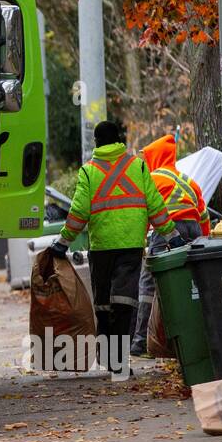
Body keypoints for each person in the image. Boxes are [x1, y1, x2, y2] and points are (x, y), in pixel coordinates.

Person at [51, 121, 183, 373]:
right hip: (131, 246)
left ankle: (109, 356)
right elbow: (155, 206)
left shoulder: (88, 172)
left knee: (103, 304)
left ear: (97, 143)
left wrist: (62, 242)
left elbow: (79, 213)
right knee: (124, 303)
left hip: (102, 249)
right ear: (119, 140)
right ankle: (119, 362)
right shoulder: (138, 166)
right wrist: (172, 236)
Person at [132, 134, 211, 355]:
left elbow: (145, 213)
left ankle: (140, 342)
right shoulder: (188, 180)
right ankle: (193, 338)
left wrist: (139, 243)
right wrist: (203, 241)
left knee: (149, 283)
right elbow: (203, 215)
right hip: (193, 229)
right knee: (190, 283)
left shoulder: (152, 179)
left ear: (154, 157)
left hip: (166, 231)